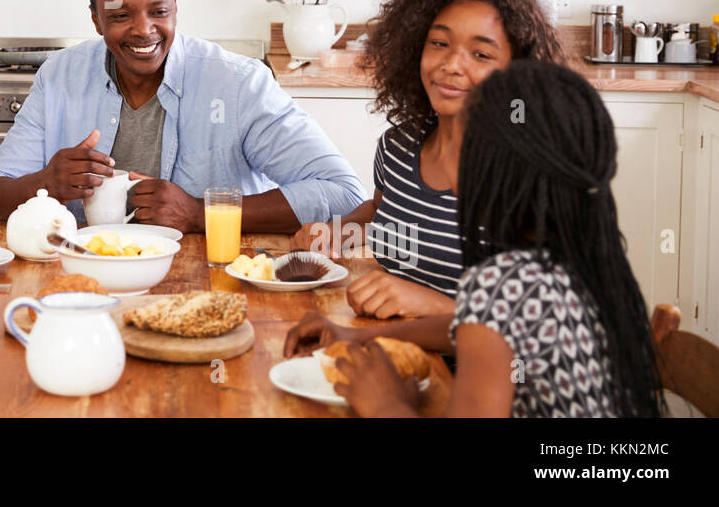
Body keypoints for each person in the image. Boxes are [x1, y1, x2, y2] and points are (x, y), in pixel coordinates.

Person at [283, 60, 664, 418]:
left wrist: (388, 406)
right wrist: (354, 336)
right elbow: (472, 326)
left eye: (458, 138)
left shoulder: (503, 281)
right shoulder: (579, 259)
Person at [0, 0, 365, 232]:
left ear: (176, 5)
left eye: (160, 11)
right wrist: (44, 185)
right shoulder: (60, 76)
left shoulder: (237, 84)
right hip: (81, 280)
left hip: (207, 281)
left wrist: (200, 213)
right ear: (95, 19)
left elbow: (343, 194)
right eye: (121, 15)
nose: (144, 30)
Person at [289, 0, 563, 318]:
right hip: (393, 352)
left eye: (480, 54)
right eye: (439, 43)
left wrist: (426, 304)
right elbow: (382, 213)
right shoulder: (397, 148)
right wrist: (335, 233)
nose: (451, 64)